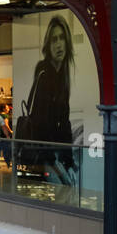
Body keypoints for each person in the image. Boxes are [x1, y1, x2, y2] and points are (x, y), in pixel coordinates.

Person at [23, 15, 76, 184]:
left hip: (55, 154)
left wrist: (67, 159)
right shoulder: (45, 74)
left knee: (70, 185)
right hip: (44, 155)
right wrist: (55, 162)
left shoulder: (63, 77)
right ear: (48, 45)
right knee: (63, 189)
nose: (59, 44)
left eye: (62, 38)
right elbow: (40, 122)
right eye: (54, 40)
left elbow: (65, 121)